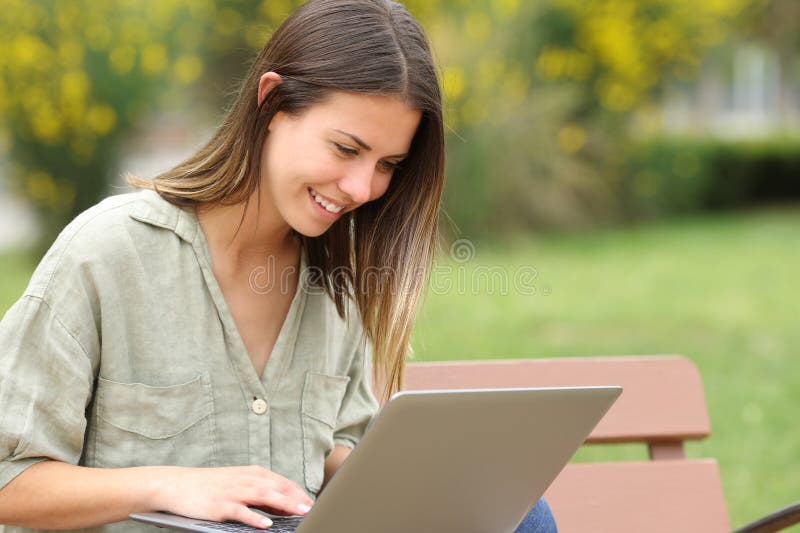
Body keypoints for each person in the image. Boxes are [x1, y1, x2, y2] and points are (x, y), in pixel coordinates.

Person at [0, 0, 557, 531]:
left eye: (388, 164)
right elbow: (9, 480)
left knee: (525, 516)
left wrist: (428, 477)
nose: (362, 188)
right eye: (345, 149)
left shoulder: (339, 280)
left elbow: (338, 449)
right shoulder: (109, 253)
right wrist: (166, 486)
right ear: (273, 103)